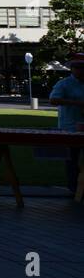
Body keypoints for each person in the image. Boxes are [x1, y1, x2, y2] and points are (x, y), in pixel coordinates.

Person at [48, 53, 84, 189]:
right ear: (72, 68)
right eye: (78, 67)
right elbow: (53, 100)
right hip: (70, 127)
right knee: (72, 160)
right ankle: (74, 187)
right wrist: (77, 103)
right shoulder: (64, 84)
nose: (81, 70)